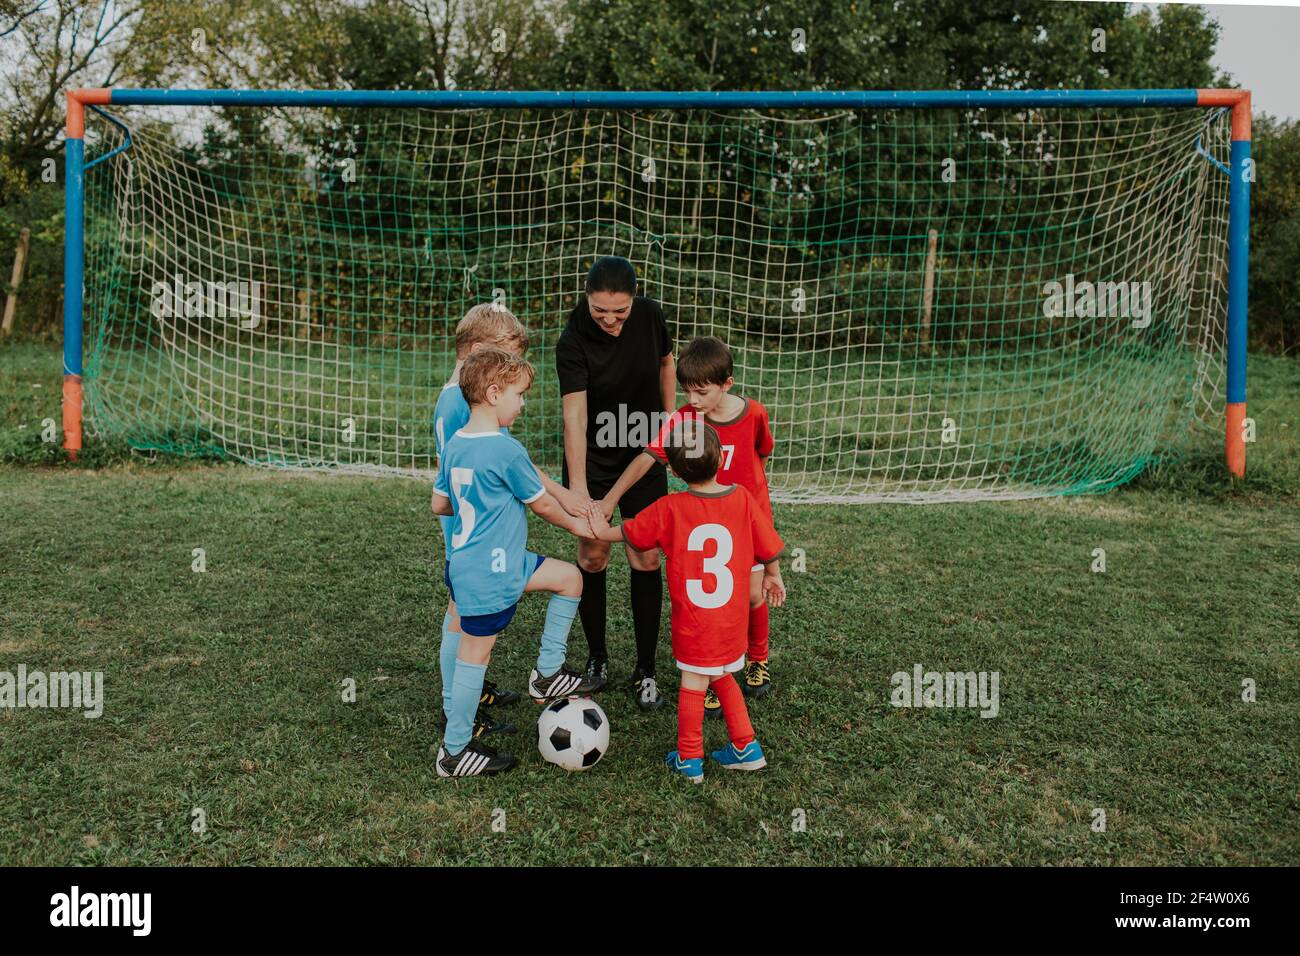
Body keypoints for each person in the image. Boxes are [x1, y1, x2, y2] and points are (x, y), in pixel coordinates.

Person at [432, 347, 605, 777]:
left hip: (482, 563)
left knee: (569, 578)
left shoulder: (457, 444)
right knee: (476, 656)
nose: (522, 403)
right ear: (493, 393)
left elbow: (440, 502)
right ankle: (454, 753)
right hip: (491, 575)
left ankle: (547, 674)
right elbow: (545, 505)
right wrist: (583, 528)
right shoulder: (506, 451)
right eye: (519, 394)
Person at [587, 420, 786, 783]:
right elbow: (767, 542)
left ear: (675, 470)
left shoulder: (671, 507)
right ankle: (746, 746)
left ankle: (690, 757)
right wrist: (772, 573)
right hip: (731, 620)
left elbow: (632, 532)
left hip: (695, 622)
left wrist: (601, 531)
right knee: (722, 673)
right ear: (720, 459)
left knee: (694, 681)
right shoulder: (741, 498)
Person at [599, 335, 781, 716]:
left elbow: (763, 450)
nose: (693, 400)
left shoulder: (755, 414)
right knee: (716, 604)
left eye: (701, 391)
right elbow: (649, 456)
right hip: (707, 527)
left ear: (726, 383)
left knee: (750, 596)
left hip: (747, 520)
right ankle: (716, 676)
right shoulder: (684, 419)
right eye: (687, 391)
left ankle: (758, 659)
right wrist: (611, 498)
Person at [555, 256, 676, 709]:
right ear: (587, 298)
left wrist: (667, 421)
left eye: (619, 311)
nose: (609, 319)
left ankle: (646, 670)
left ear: (634, 300)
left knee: (645, 555)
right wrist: (582, 491)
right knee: (592, 551)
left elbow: (667, 363)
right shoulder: (572, 340)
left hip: (644, 453)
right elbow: (575, 417)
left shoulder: (650, 316)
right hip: (593, 454)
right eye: (600, 310)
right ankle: (597, 661)